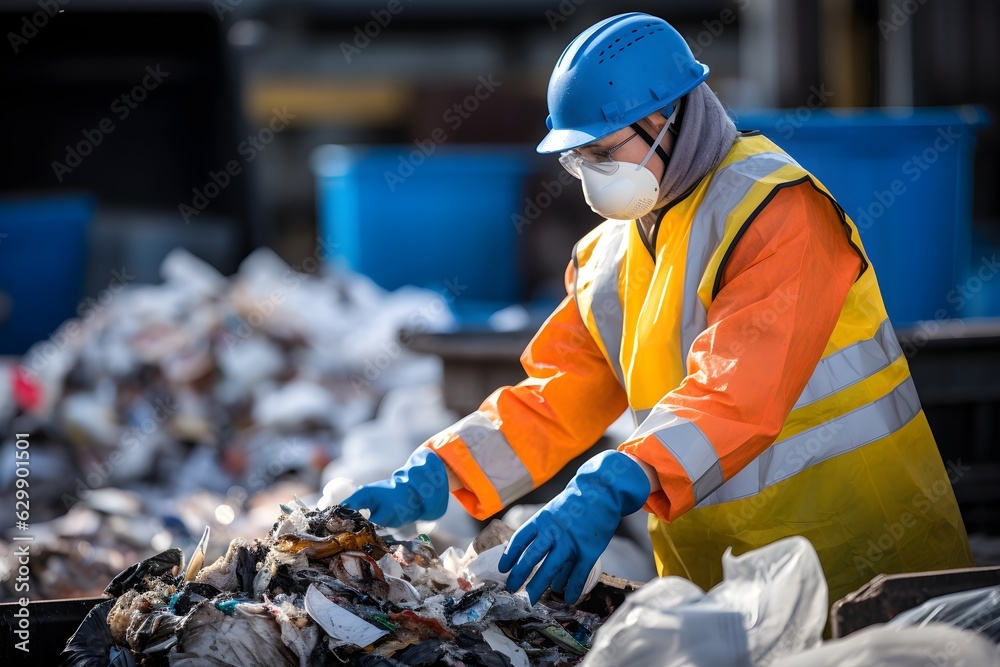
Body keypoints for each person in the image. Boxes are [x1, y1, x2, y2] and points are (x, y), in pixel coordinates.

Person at [343, 12, 973, 606]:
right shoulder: (609, 252)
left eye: (603, 152)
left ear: (671, 119)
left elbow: (737, 393)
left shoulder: (775, 211)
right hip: (722, 580)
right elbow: (557, 396)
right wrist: (436, 473)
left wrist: (613, 479)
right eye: (577, 159)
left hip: (861, 561)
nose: (590, 173)